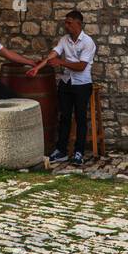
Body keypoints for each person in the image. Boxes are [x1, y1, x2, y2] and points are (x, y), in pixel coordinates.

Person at [29, 10, 97, 166]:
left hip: (82, 84)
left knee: (80, 118)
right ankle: (61, 151)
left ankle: (79, 152)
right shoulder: (64, 40)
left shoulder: (88, 42)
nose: (66, 26)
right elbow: (53, 54)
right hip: (66, 83)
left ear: (78, 24)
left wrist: (61, 63)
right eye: (65, 22)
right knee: (64, 117)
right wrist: (37, 68)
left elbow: (81, 66)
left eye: (69, 23)